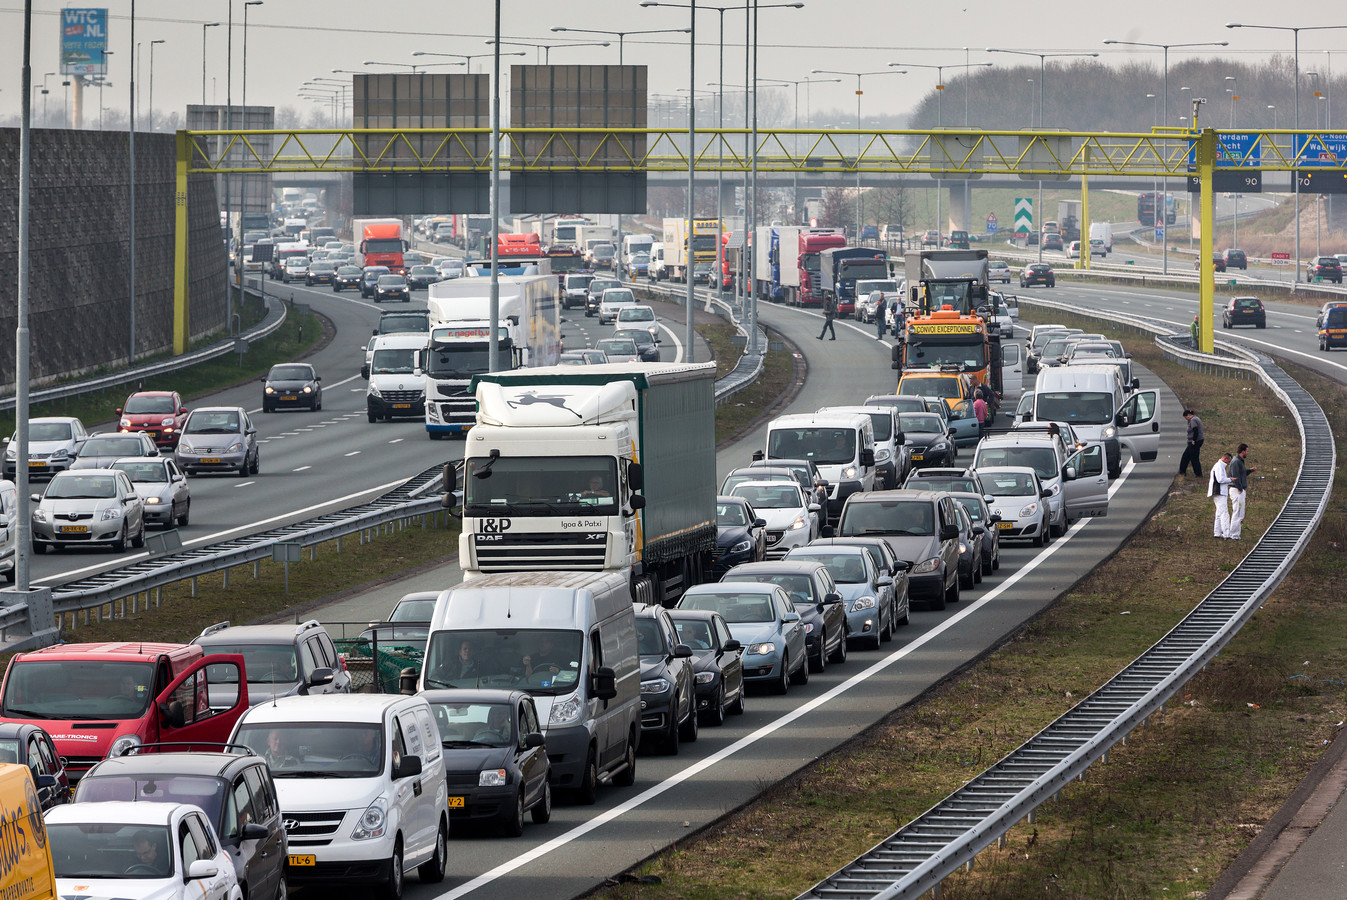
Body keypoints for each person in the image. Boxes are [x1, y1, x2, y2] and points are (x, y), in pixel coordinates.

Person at [1226, 443, 1256, 540]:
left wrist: (1250, 471)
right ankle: (1233, 534)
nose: (1247, 453)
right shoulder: (1236, 462)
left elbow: (1241, 474)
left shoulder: (1240, 461)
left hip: (1239, 490)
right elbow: (1235, 477)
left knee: (1240, 513)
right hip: (1236, 490)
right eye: (1247, 451)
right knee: (1237, 512)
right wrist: (1239, 488)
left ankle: (1236, 534)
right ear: (1242, 451)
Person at [1208, 452, 1233, 539]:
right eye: (1228, 462)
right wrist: (1230, 480)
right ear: (1225, 459)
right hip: (1219, 492)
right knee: (1224, 513)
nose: (1228, 464)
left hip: (1218, 492)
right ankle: (1226, 534)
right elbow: (1220, 479)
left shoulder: (1219, 466)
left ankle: (1217, 532)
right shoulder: (1219, 466)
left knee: (1219, 513)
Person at [1179, 409, 1205, 477]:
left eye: (1186, 417)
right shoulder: (1196, 418)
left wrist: (1194, 440)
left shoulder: (1193, 420)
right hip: (1198, 440)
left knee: (1194, 458)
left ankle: (1198, 474)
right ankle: (1182, 471)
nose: (1186, 419)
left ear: (1188, 415)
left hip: (1194, 442)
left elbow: (1195, 430)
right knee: (1186, 456)